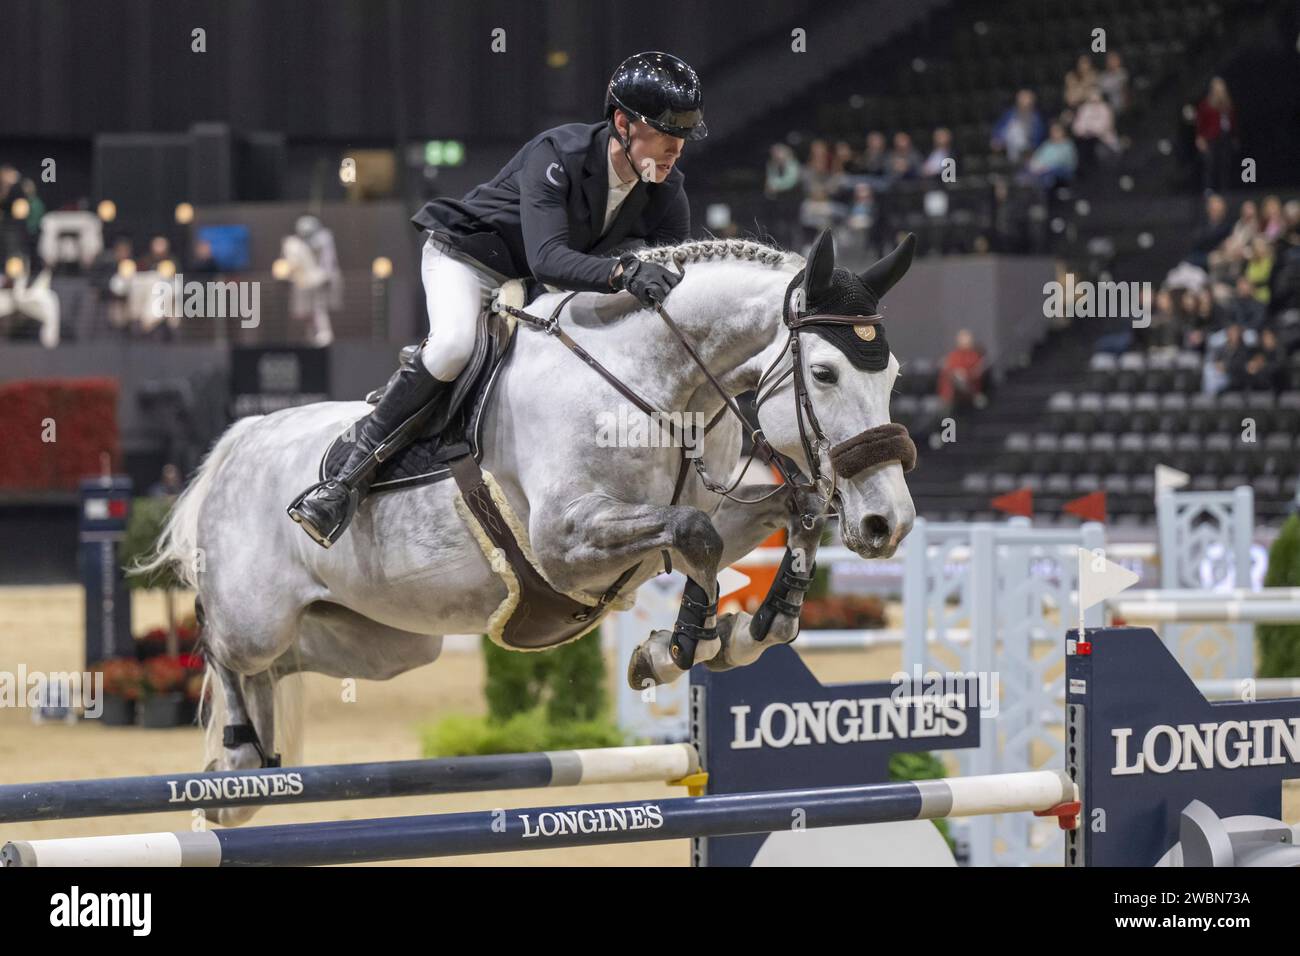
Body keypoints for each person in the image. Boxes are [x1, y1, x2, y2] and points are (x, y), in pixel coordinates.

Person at [288, 51, 702, 547]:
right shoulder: (559, 155)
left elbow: (669, 273)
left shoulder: (667, 191)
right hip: (469, 260)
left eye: (682, 139)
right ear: (622, 123)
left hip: (535, 284)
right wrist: (622, 269)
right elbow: (549, 256)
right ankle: (347, 476)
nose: (677, 150)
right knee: (453, 346)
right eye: (666, 136)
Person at [1195, 77, 1237, 193]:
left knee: (1225, 164)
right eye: (1217, 88)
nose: (1219, 91)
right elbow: (1200, 122)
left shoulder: (1227, 104)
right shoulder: (1206, 104)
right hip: (1211, 137)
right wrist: (1200, 137)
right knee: (1210, 163)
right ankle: (1208, 189)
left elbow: (1232, 121)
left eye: (1221, 88)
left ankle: (1224, 189)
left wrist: (1233, 136)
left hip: (1225, 137)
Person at [991, 89, 1045, 165]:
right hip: (1008, 146)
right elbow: (999, 128)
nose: (1024, 101)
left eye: (1027, 98)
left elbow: (1038, 135)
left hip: (1028, 148)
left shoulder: (1036, 117)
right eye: (1022, 98)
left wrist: (1032, 148)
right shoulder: (1010, 114)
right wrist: (997, 138)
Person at [937, 329, 987, 410]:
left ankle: (973, 397)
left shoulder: (975, 356)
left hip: (971, 388)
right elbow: (949, 371)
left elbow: (977, 373)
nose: (965, 341)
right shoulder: (953, 356)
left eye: (967, 338)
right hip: (953, 393)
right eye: (963, 338)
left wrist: (967, 374)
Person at [1023, 122, 1078, 188]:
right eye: (1052, 131)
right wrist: (1034, 164)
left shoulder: (1068, 145)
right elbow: (1037, 156)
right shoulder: (1047, 144)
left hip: (1062, 170)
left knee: (1049, 174)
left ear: (1063, 132)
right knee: (1028, 166)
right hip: (1042, 168)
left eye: (1057, 131)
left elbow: (1066, 162)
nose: (1054, 133)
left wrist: (1047, 167)